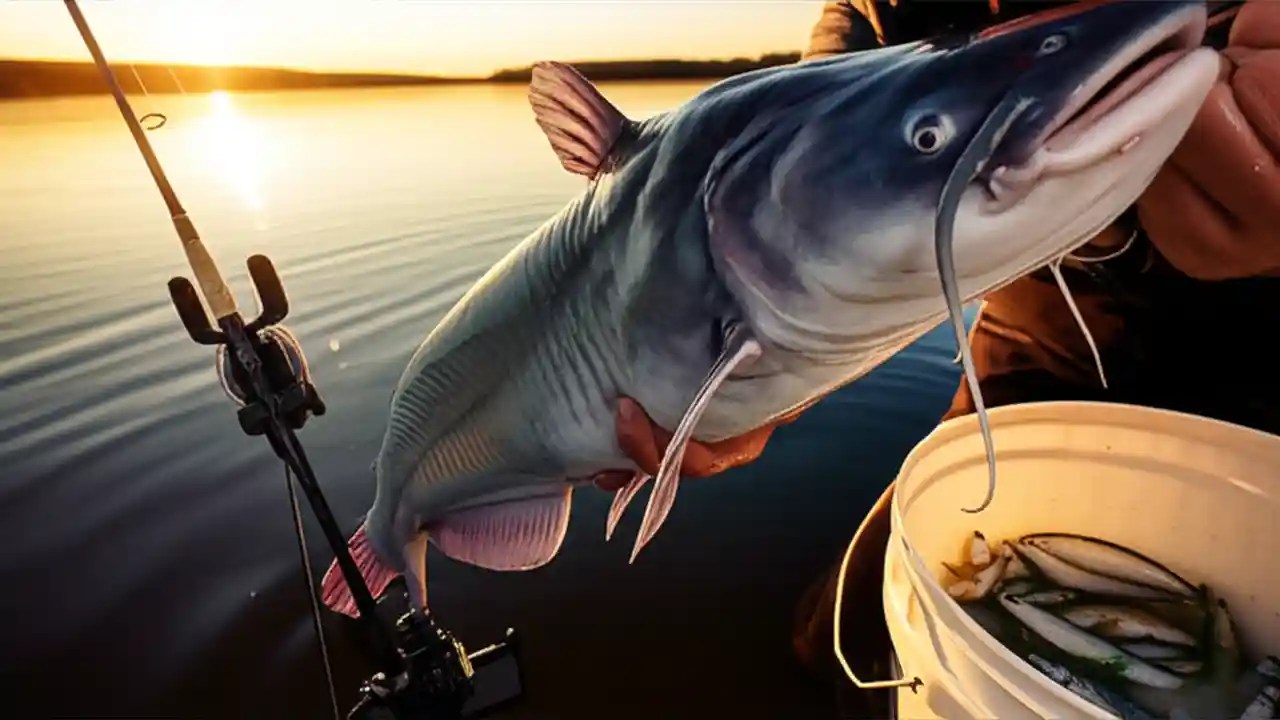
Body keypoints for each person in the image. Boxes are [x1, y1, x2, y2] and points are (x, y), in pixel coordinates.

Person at [594, 0, 1280, 715]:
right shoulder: (865, 14)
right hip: (1039, 341)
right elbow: (829, 168)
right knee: (838, 631)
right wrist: (773, 365)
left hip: (1263, 364)